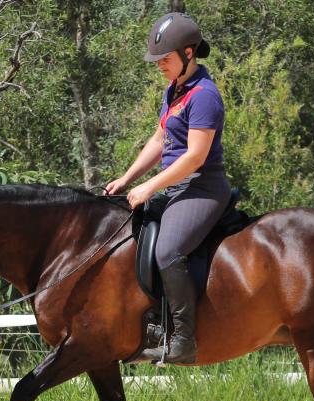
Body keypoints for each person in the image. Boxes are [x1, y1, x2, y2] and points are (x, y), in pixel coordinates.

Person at [105, 12, 230, 364]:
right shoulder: (175, 89)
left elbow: (194, 158)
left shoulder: (204, 96)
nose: (160, 65)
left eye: (166, 58)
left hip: (202, 188)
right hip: (176, 187)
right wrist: (128, 178)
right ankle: (152, 322)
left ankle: (184, 338)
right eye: (157, 59)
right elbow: (160, 139)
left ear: (189, 53)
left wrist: (149, 187)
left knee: (167, 251)